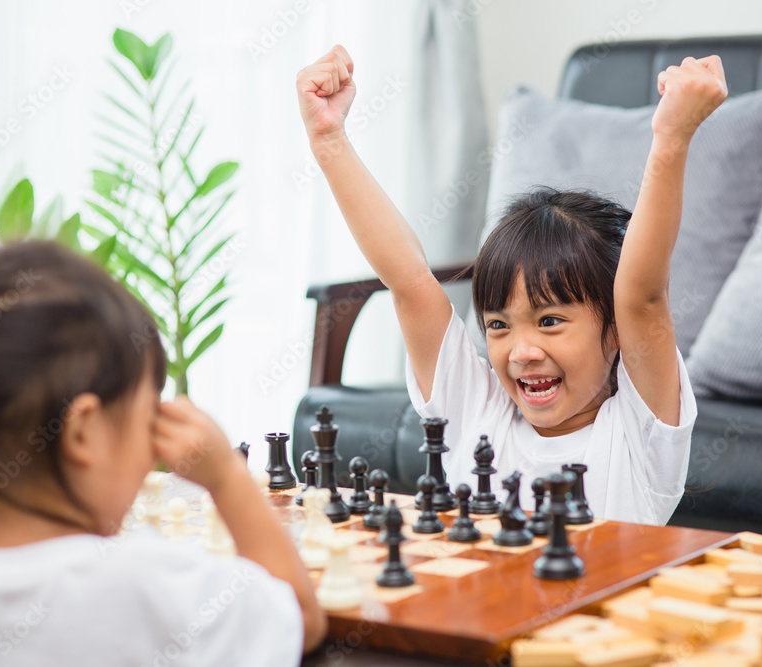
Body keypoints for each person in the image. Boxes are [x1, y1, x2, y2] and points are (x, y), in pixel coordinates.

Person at [296, 46, 727, 525]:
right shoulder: (475, 411)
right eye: (498, 325)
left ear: (616, 331)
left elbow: (642, 296)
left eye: (549, 320)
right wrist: (328, 139)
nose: (522, 351)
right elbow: (409, 280)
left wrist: (673, 137)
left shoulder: (640, 436)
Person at [0, 242, 326, 666]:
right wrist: (227, 477)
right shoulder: (146, 581)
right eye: (150, 419)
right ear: (83, 433)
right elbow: (301, 620)